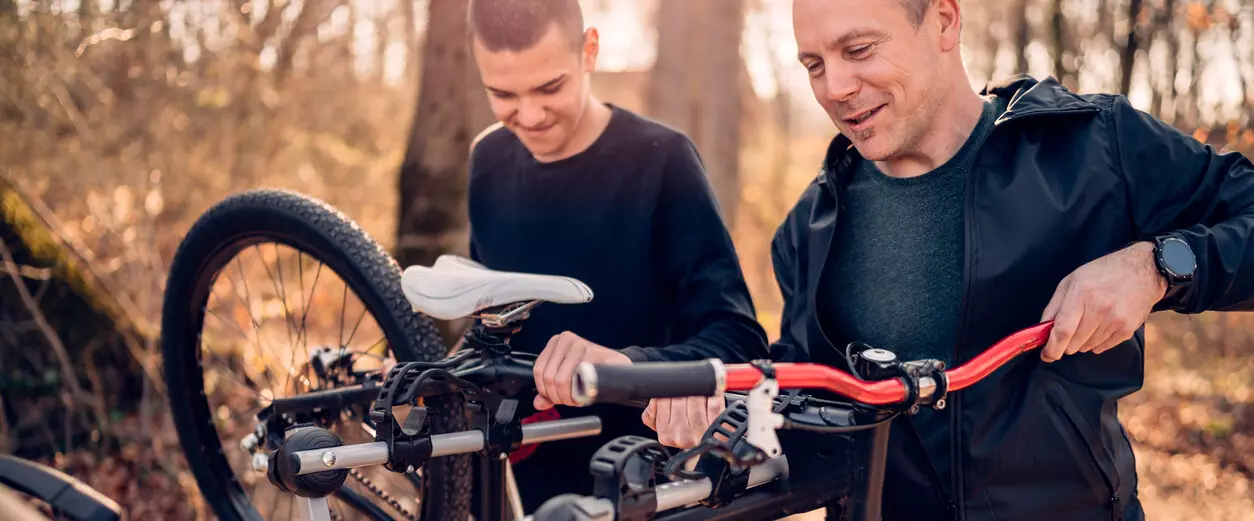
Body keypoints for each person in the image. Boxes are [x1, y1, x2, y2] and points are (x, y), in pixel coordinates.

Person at [649, 1, 1254, 520]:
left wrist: (1158, 267)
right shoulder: (810, 226)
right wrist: (729, 421)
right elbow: (813, 415)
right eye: (814, 64)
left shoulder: (1095, 147)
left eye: (858, 49)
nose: (834, 87)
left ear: (943, 20)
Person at [461, 0, 770, 514]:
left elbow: (737, 337)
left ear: (589, 51)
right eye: (503, 94)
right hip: (517, 488)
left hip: (642, 486)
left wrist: (628, 365)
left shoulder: (662, 159)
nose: (530, 115)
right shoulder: (488, 159)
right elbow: (489, 322)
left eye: (549, 87)